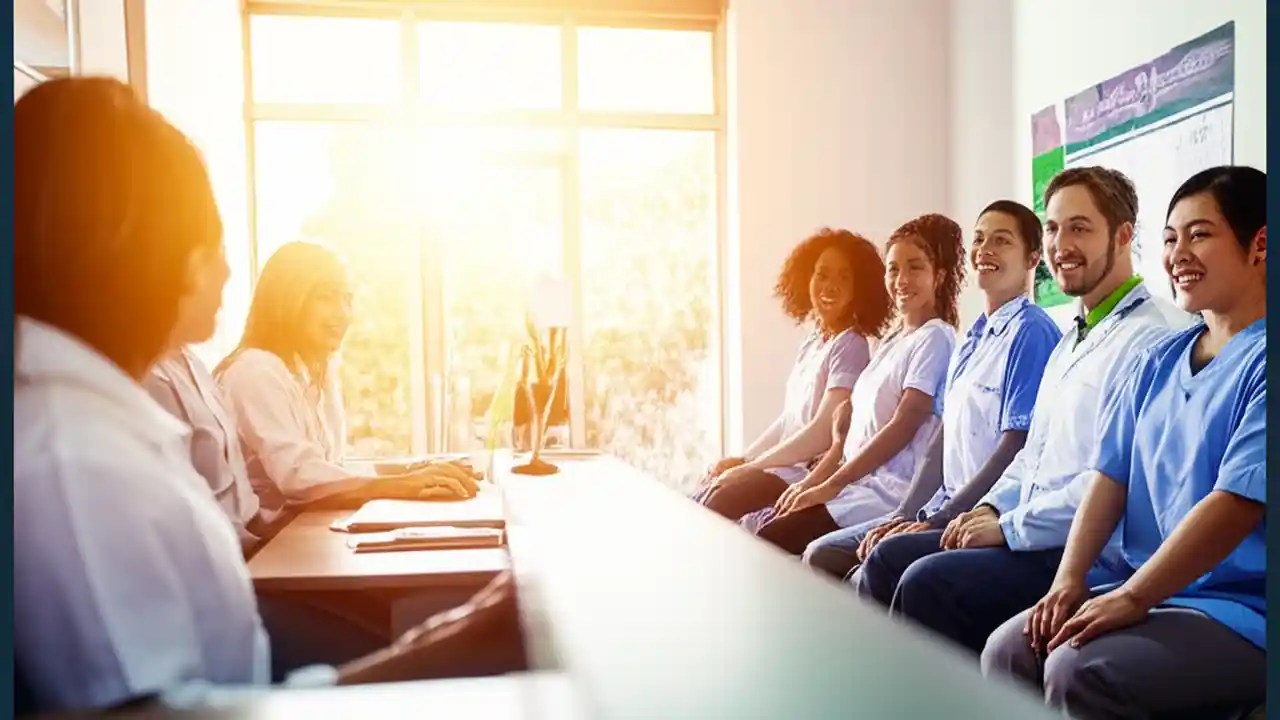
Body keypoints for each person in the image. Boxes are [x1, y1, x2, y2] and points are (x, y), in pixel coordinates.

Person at [13, 78, 514, 715]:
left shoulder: (100, 424)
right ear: (139, 252)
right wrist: (440, 651)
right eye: (212, 246)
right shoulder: (74, 458)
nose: (225, 273)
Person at [853, 167, 1186, 654]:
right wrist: (987, 508)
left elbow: (1113, 481)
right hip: (1031, 531)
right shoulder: (1073, 336)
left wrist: (1006, 526)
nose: (1061, 244)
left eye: (1079, 228)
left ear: (1123, 235)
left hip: (1087, 553)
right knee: (889, 559)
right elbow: (1031, 455)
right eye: (1053, 228)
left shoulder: (1153, 338)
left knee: (928, 582)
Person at [982, 166, 1266, 718]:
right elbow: (1108, 479)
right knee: (1011, 648)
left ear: (1260, 244)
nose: (1178, 253)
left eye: (1200, 234)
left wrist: (1136, 596)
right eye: (1169, 239)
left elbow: (1235, 502)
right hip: (1151, 589)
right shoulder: (1159, 361)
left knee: (1079, 668)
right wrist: (1068, 582)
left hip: (1239, 608)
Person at [802, 201, 1061, 579]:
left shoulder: (1031, 331)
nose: (985, 249)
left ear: (1033, 258)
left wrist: (942, 517)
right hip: (941, 506)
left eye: (1001, 241)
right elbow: (941, 439)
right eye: (979, 239)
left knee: (874, 566)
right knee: (823, 554)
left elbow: (1015, 444)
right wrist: (904, 513)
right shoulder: (973, 338)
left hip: (982, 514)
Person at [715, 214, 964, 555]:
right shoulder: (891, 343)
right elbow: (842, 441)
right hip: (854, 484)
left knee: (772, 543)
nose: (902, 279)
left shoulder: (936, 337)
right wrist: (813, 484)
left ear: (939, 276)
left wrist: (830, 484)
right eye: (893, 269)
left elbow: (903, 425)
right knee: (768, 531)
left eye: (915, 267)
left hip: (885, 492)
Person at [215, 242, 474, 512]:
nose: (343, 313)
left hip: (296, 533)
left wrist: (414, 471)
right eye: (326, 297)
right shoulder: (256, 372)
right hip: (267, 547)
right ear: (288, 299)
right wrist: (404, 484)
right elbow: (299, 476)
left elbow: (330, 469)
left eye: (347, 299)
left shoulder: (312, 371)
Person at [695, 228, 892, 514]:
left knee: (720, 501)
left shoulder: (851, 345)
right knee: (706, 489)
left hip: (801, 476)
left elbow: (822, 432)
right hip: (780, 469)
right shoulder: (814, 341)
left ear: (859, 288)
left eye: (844, 277)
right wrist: (742, 460)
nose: (830, 286)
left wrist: (753, 467)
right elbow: (789, 421)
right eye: (822, 275)